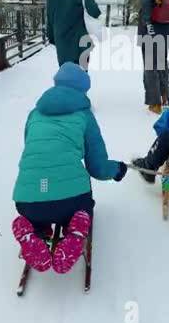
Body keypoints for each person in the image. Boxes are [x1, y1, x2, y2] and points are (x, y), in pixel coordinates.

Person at [12, 63, 127, 274]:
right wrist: (117, 170)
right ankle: (74, 230)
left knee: (41, 204)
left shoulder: (34, 114)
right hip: (72, 201)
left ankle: (34, 231)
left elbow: (34, 151)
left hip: (27, 201)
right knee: (80, 209)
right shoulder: (84, 116)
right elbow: (98, 168)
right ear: (83, 90)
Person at [47, 0, 101, 69]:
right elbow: (95, 12)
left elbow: (50, 22)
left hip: (62, 46)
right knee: (81, 76)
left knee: (65, 76)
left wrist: (54, 39)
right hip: (81, 45)